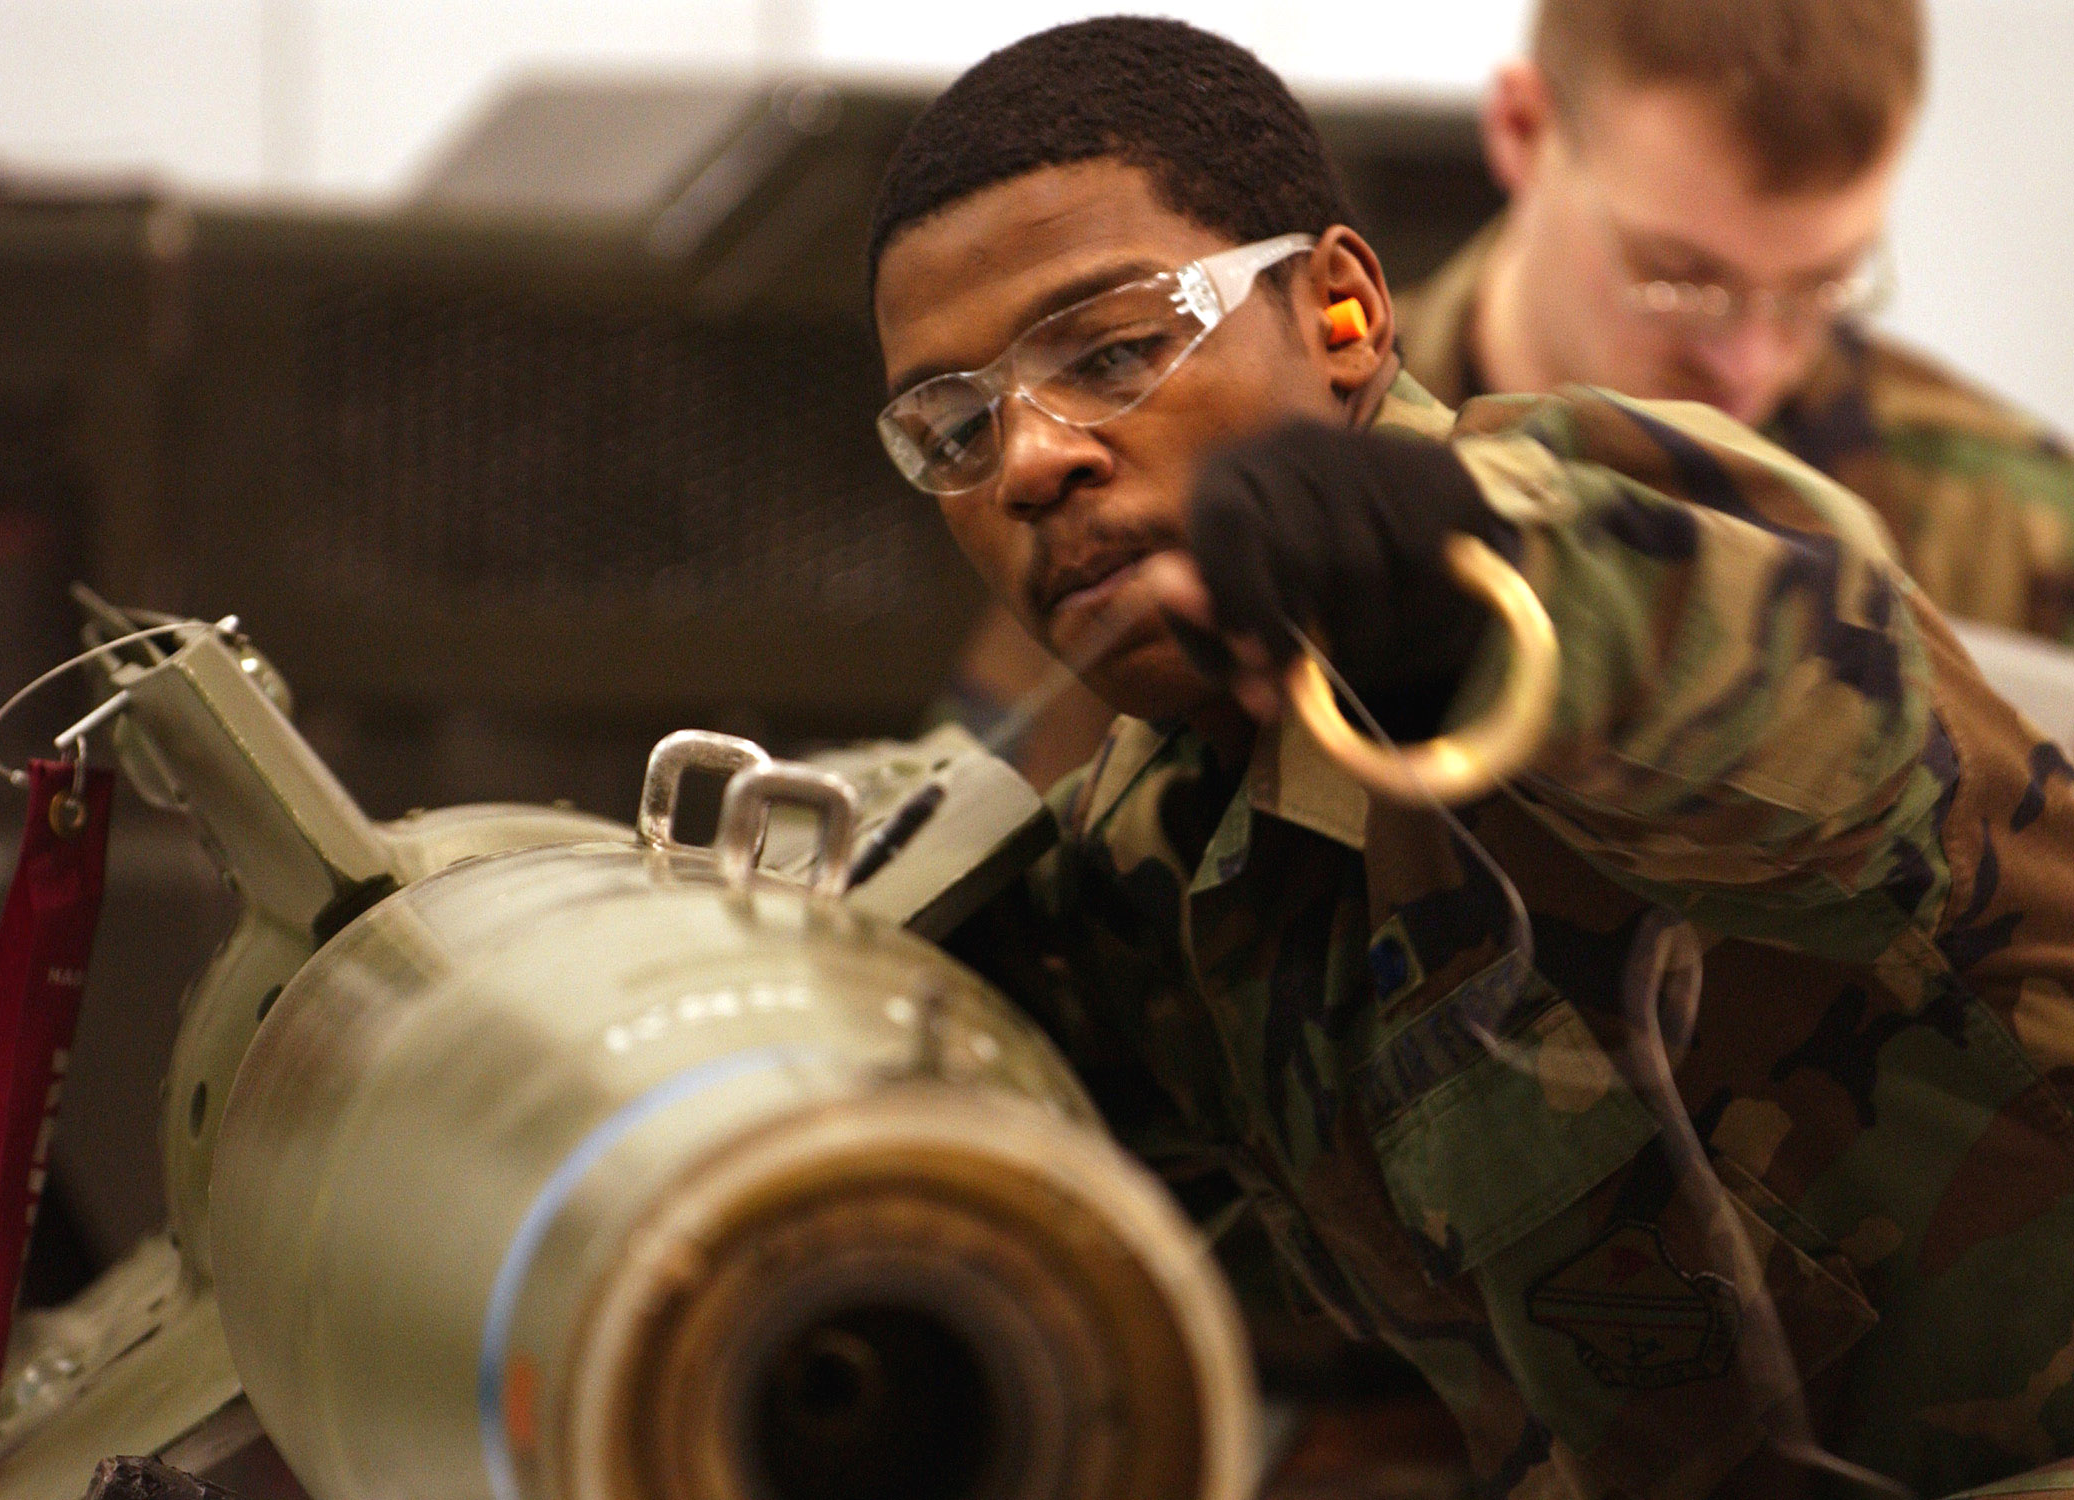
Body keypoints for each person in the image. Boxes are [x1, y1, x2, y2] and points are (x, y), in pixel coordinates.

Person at [867, 16, 2074, 1500]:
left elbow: (1800, 702)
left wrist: (1470, 609)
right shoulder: (1171, 850)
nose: (1031, 458)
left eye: (1114, 349)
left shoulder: (1624, 495)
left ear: (1343, 314)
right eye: (952, 428)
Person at [1401, 0, 2074, 642]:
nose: (1746, 364)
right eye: (1680, 274)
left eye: (1821, 282)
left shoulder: (2016, 537)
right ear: (1523, 128)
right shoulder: (1326, 436)